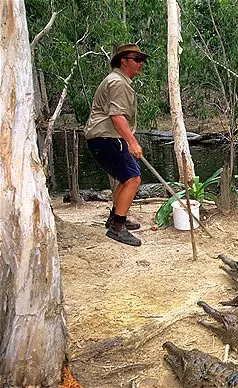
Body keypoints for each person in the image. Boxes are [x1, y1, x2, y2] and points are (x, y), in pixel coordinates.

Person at [84, 43, 149, 246]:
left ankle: (115, 217)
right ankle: (118, 228)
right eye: (137, 59)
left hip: (103, 138)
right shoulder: (118, 82)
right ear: (124, 61)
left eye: (142, 60)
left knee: (125, 178)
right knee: (133, 179)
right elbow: (117, 116)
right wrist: (133, 142)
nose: (141, 64)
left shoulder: (118, 81)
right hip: (107, 138)